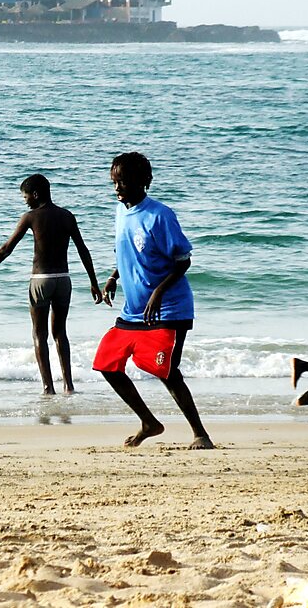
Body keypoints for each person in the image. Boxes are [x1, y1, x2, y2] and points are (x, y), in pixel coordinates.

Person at [94, 152, 214, 449]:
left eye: (123, 182)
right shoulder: (120, 211)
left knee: (168, 371)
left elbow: (183, 261)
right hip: (134, 310)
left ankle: (200, 434)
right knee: (107, 364)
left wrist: (158, 293)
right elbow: (127, 253)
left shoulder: (160, 215)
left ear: (144, 181)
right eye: (114, 182)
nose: (117, 188)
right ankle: (149, 422)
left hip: (170, 308)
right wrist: (113, 278)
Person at [0, 173, 102, 395]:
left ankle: (48, 388)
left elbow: (6, 249)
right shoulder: (67, 216)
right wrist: (93, 283)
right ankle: (69, 386)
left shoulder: (30, 217)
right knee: (60, 333)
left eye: (26, 197)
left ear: (36, 194)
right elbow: (83, 250)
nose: (26, 201)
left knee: (39, 334)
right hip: (63, 280)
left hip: (40, 281)